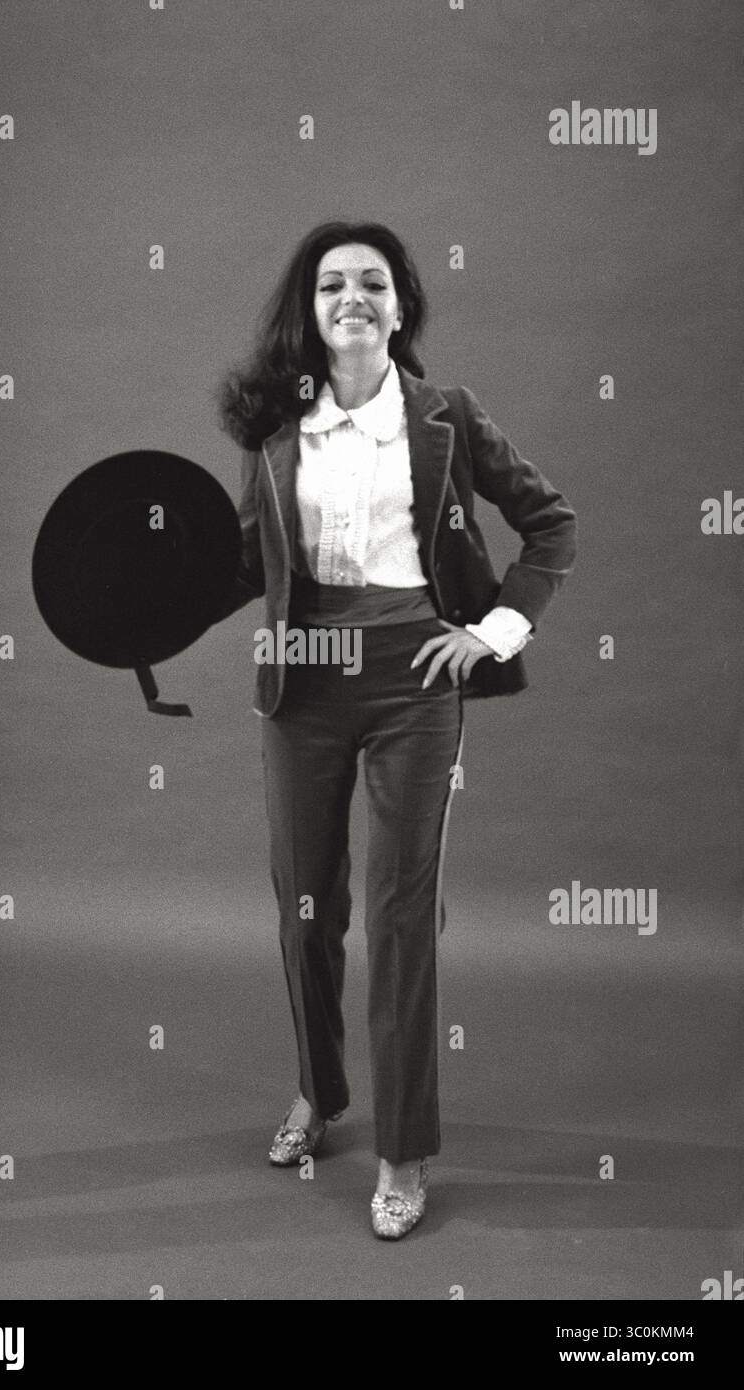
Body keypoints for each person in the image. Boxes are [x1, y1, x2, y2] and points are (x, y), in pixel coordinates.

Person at [211, 221, 577, 1238]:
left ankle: (403, 1146)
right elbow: (245, 563)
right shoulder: (278, 429)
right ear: (311, 308)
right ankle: (320, 1094)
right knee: (303, 908)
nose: (353, 296)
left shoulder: (445, 416)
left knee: (401, 916)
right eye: (332, 284)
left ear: (401, 305)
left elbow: (551, 523)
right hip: (303, 680)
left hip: (415, 676)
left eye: (373, 282)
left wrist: (494, 632)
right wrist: (133, 605)